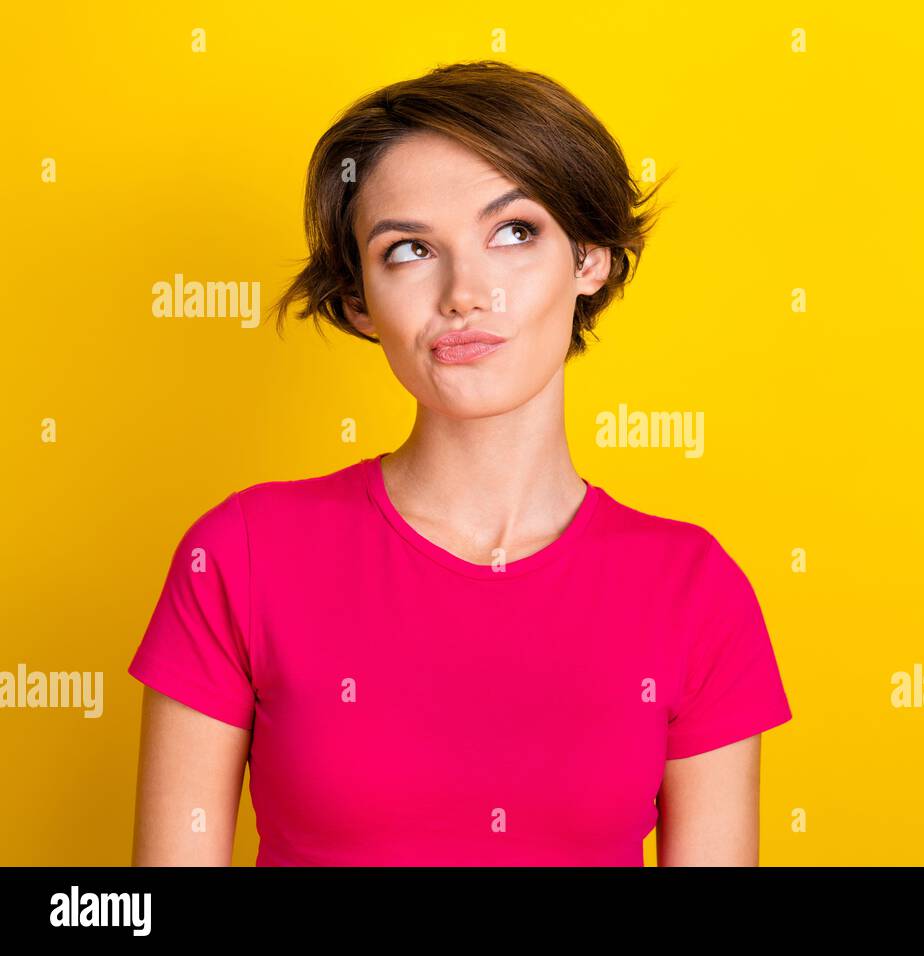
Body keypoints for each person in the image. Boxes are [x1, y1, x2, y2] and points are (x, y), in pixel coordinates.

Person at [128, 60, 793, 867]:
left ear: (590, 259)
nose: (464, 293)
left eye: (514, 233)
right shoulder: (239, 555)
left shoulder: (693, 588)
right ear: (358, 303)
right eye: (409, 249)